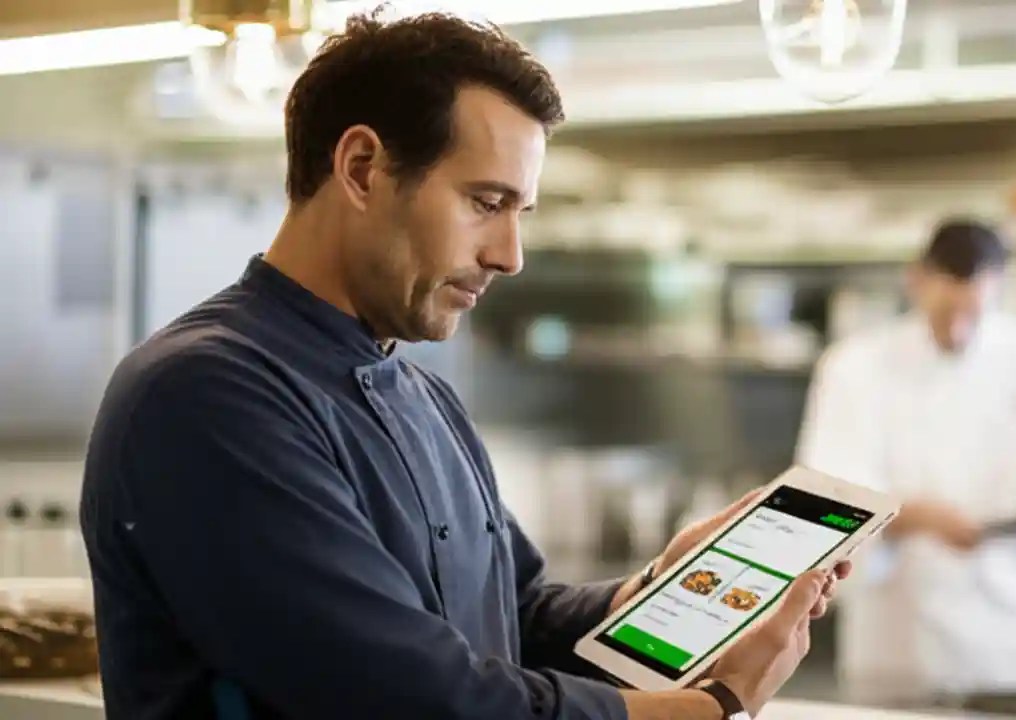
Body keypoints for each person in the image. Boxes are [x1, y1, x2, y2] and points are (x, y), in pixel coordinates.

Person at [80, 13, 850, 720]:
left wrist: (659, 590)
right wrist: (715, 704)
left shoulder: (422, 396)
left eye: (522, 213)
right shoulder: (210, 395)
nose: (509, 256)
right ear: (360, 167)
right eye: (486, 202)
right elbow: (414, 699)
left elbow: (514, 621)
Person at [797, 219, 1016, 702]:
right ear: (917, 280)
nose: (959, 329)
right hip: (899, 643)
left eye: (973, 311)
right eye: (947, 311)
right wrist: (913, 517)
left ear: (999, 287)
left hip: (1014, 643)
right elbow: (824, 505)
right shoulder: (853, 366)